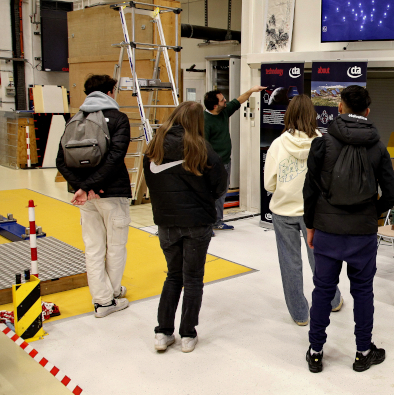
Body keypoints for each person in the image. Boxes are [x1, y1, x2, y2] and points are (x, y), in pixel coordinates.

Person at [303, 85, 394, 373]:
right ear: (367, 111)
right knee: (363, 292)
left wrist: (311, 225)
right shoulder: (379, 147)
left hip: (327, 231)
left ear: (340, 107)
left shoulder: (322, 143)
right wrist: (372, 213)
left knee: (322, 290)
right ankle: (363, 352)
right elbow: (392, 194)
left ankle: (316, 351)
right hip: (362, 233)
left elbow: (309, 190)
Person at [143, 101, 228, 353]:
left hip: (166, 222)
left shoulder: (153, 147)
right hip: (197, 222)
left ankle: (162, 333)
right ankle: (188, 334)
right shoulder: (201, 148)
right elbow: (220, 184)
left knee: (173, 275)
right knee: (193, 279)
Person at [56, 74, 131, 318]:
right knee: (116, 245)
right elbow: (115, 157)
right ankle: (110, 298)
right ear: (109, 92)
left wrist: (82, 187)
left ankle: (102, 298)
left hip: (85, 198)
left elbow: (60, 160)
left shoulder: (74, 120)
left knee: (94, 248)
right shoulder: (118, 119)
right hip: (112, 193)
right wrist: (91, 185)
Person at [264, 95, 343, 326]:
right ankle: (334, 300)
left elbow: (269, 184)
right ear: (313, 115)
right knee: (320, 260)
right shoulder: (324, 142)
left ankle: (300, 314)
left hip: (284, 210)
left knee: (290, 263)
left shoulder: (278, 145)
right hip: (315, 212)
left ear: (288, 114)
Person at [203, 86, 266, 231]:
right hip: (211, 165)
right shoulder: (204, 120)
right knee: (209, 194)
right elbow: (202, 146)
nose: (226, 101)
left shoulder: (223, 112)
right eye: (222, 100)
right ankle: (206, 225)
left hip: (225, 162)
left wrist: (252, 90)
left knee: (222, 192)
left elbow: (238, 101)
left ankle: (217, 221)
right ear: (214, 106)